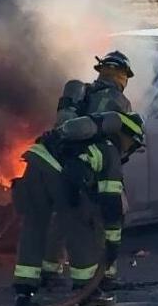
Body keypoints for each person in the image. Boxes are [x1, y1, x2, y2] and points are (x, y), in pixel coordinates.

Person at [10, 111, 144, 306]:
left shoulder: (86, 138)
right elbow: (111, 204)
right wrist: (113, 242)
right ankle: (85, 288)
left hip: (35, 160)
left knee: (34, 225)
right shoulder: (110, 152)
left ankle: (23, 291)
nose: (130, 150)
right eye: (133, 144)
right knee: (81, 226)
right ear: (127, 136)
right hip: (58, 173)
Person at [43, 51, 135, 288]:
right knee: (104, 218)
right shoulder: (120, 101)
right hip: (98, 164)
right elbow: (118, 136)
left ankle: (48, 270)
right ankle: (103, 276)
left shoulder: (83, 93)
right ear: (122, 75)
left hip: (68, 159)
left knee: (63, 212)